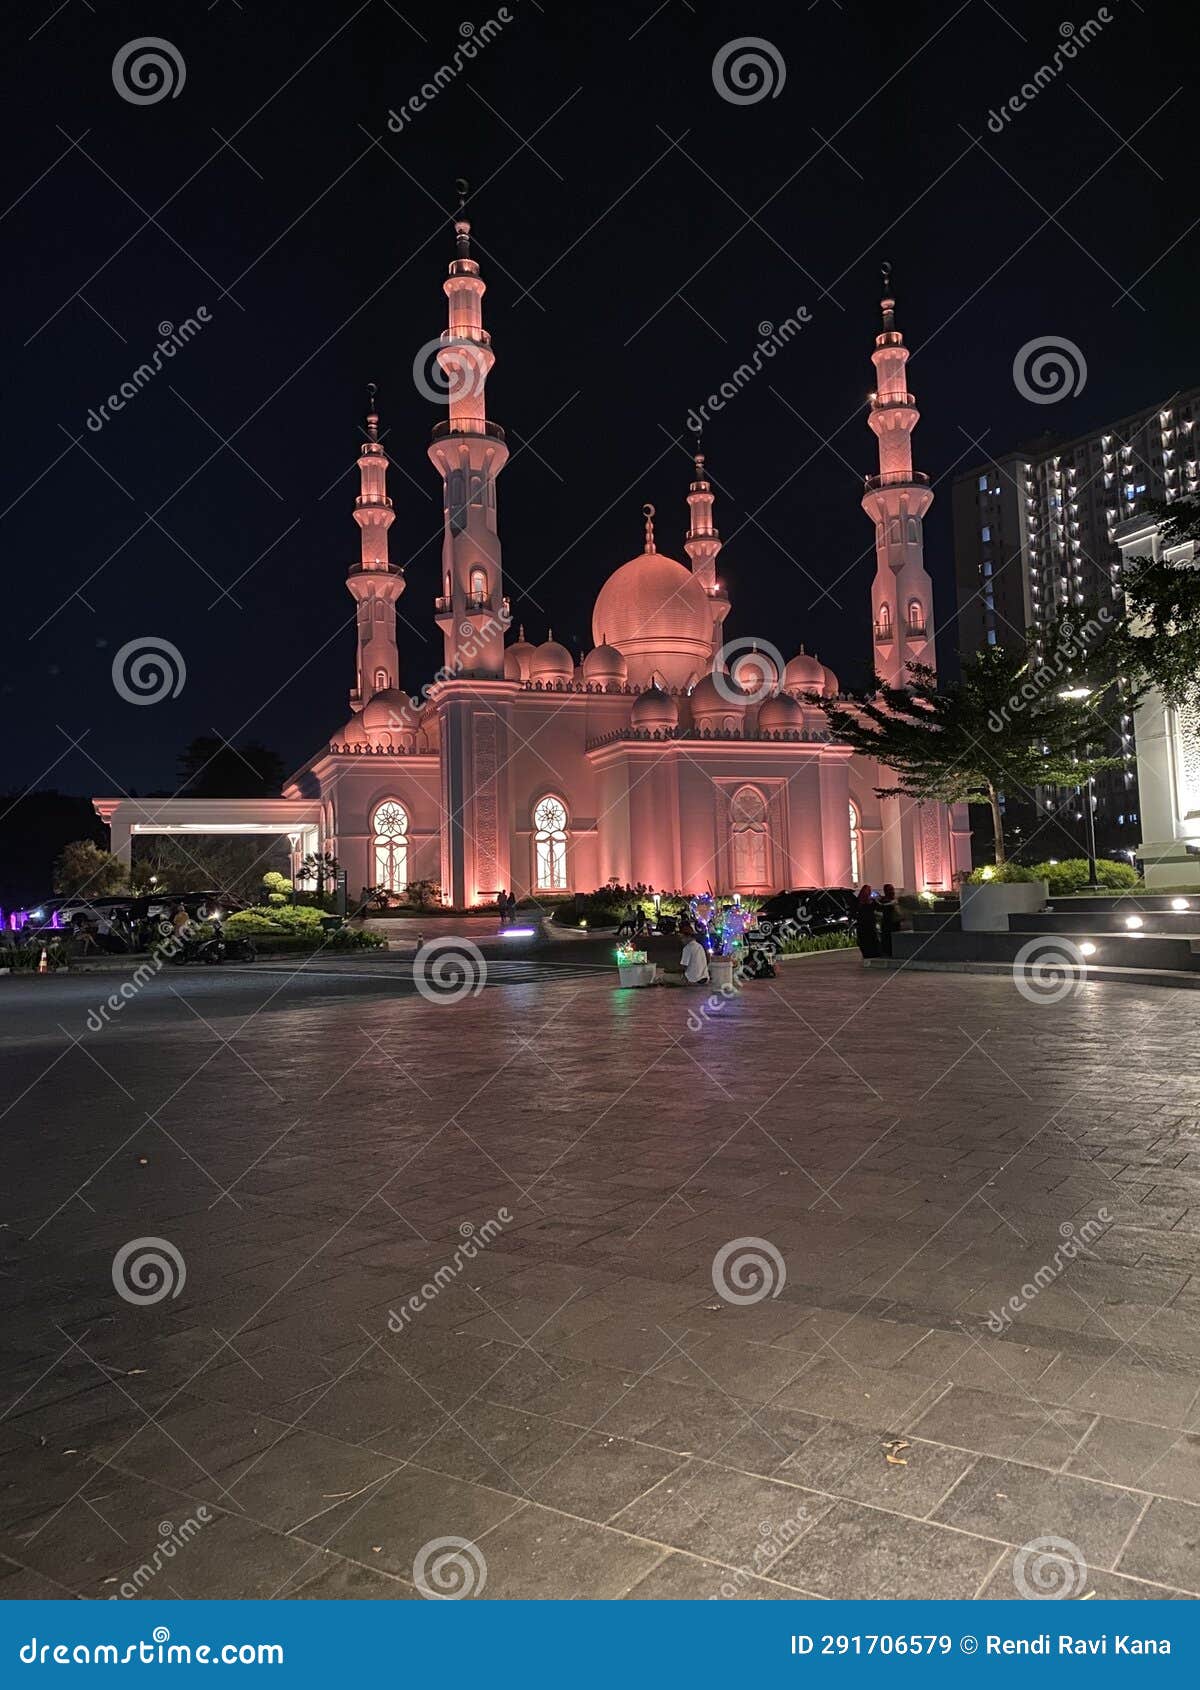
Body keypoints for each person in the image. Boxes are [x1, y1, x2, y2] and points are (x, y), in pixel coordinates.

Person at [659, 921, 710, 986]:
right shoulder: (699, 946)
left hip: (692, 979)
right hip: (704, 978)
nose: (681, 940)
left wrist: (669, 971)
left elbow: (683, 968)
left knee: (664, 977)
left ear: (687, 937)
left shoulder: (687, 948)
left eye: (682, 938)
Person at [854, 885, 880, 958]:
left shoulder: (861, 902)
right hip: (867, 924)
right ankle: (871, 954)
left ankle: (869, 954)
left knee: (867, 940)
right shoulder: (868, 902)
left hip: (865, 925)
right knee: (868, 940)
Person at [878, 883, 901, 958]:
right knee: (888, 940)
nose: (892, 891)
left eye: (892, 889)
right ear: (885, 891)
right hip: (887, 925)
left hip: (895, 924)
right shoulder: (884, 901)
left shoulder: (894, 900)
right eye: (890, 890)